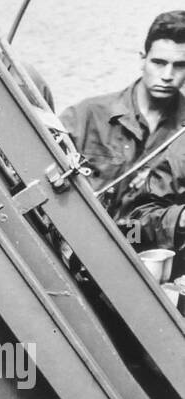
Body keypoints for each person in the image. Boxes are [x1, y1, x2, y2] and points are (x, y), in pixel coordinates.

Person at [62, 12, 185, 242]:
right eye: (159, 63)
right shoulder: (88, 115)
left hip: (148, 254)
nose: (167, 76)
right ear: (142, 59)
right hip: (76, 247)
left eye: (179, 66)